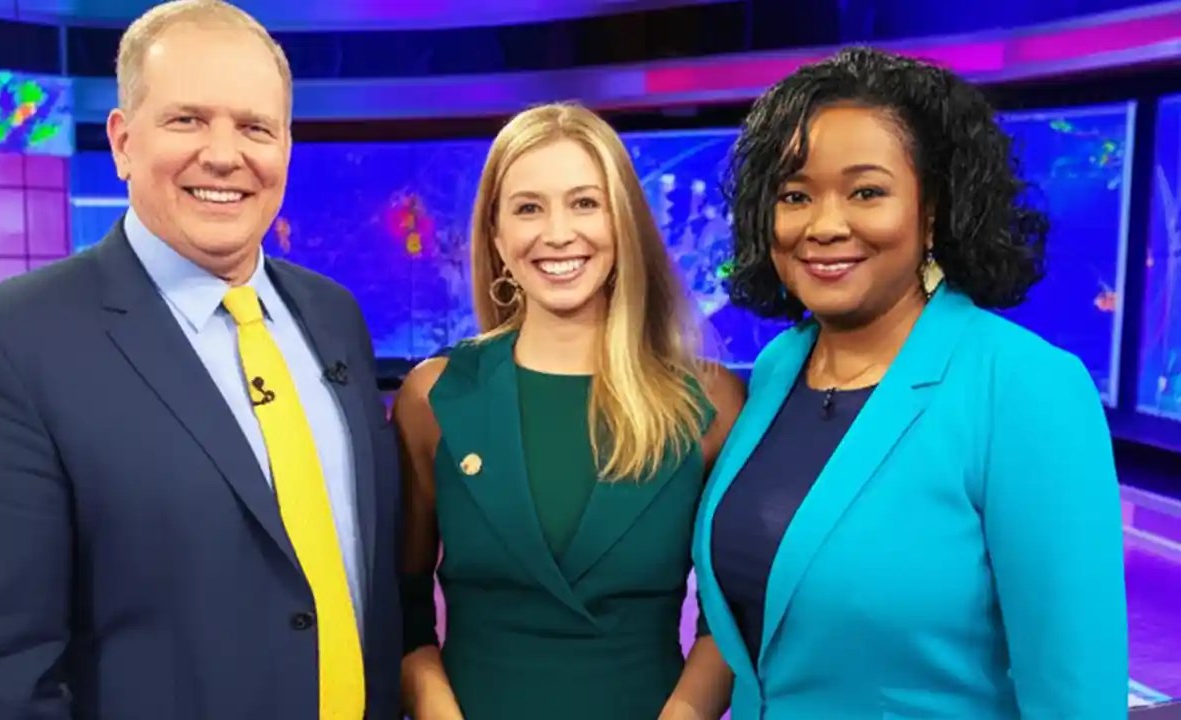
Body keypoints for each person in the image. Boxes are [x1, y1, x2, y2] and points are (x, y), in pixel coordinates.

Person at [0, 2, 401, 718]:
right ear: (122, 141)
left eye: (255, 127)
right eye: (187, 120)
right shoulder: (2, 347)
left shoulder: (333, 318)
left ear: (286, 148)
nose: (225, 154)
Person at [692, 47, 1128, 719]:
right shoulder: (781, 367)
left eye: (866, 191)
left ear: (933, 211)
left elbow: (1077, 697)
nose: (825, 225)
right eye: (795, 194)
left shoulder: (1024, 387)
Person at [393, 102, 745, 719]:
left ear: (624, 223)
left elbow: (730, 621)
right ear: (497, 236)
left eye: (585, 203)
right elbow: (400, 601)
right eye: (529, 207)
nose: (558, 233)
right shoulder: (435, 397)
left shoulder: (709, 403)